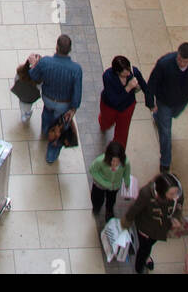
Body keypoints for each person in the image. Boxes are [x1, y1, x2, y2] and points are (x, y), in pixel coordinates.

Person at [146, 41, 188, 171]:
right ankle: (165, 161)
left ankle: (157, 116)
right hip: (165, 101)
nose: (181, 63)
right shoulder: (164, 64)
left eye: (184, 61)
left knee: (174, 115)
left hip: (182, 99)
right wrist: (150, 103)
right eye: (179, 59)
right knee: (165, 131)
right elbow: (152, 84)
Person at [28, 35, 83, 165]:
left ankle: (45, 131)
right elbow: (77, 92)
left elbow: (34, 76)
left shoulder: (46, 62)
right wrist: (73, 109)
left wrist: (33, 64)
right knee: (59, 127)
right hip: (64, 105)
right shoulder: (76, 69)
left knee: (47, 114)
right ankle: (52, 153)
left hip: (48, 99)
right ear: (70, 49)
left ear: (57, 47)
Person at [122, 172, 185, 274]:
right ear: (161, 192)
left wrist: (176, 217)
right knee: (144, 248)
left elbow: (179, 205)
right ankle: (140, 266)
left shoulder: (177, 193)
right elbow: (135, 209)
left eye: (176, 193)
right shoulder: (146, 194)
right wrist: (126, 222)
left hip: (161, 228)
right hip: (146, 228)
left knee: (150, 244)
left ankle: (146, 255)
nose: (174, 196)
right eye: (171, 194)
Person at [99, 55, 149, 149]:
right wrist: (128, 87)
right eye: (125, 73)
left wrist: (150, 102)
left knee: (122, 134)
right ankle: (103, 123)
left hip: (127, 108)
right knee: (106, 123)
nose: (129, 74)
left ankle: (118, 152)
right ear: (118, 72)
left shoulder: (134, 72)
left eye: (129, 70)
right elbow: (114, 101)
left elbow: (144, 86)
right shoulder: (108, 77)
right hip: (109, 107)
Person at [89, 141, 132, 223]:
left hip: (114, 187)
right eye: (113, 161)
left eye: (117, 161)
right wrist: (105, 183)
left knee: (111, 200)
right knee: (97, 199)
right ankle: (96, 208)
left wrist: (127, 183)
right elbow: (93, 170)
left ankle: (109, 211)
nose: (115, 164)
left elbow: (127, 173)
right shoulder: (100, 161)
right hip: (99, 185)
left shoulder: (125, 163)